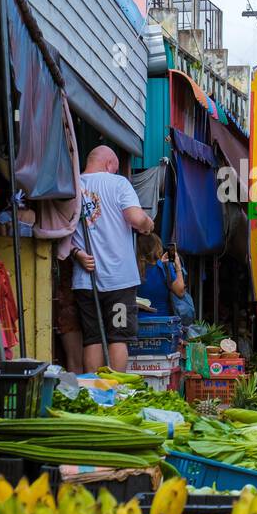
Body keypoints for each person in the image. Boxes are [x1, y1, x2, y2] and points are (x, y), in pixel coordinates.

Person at [69, 145, 153, 372]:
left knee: (93, 338)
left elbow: (60, 228)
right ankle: (115, 393)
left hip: (86, 281)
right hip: (119, 280)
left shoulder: (72, 185)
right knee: (118, 337)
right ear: (109, 165)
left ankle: (94, 395)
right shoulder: (118, 183)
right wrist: (147, 224)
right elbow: (135, 217)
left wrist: (76, 253)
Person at [136, 233, 186, 317]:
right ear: (158, 248)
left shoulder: (133, 269)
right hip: (163, 323)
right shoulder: (164, 267)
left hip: (138, 322)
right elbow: (180, 292)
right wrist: (177, 266)